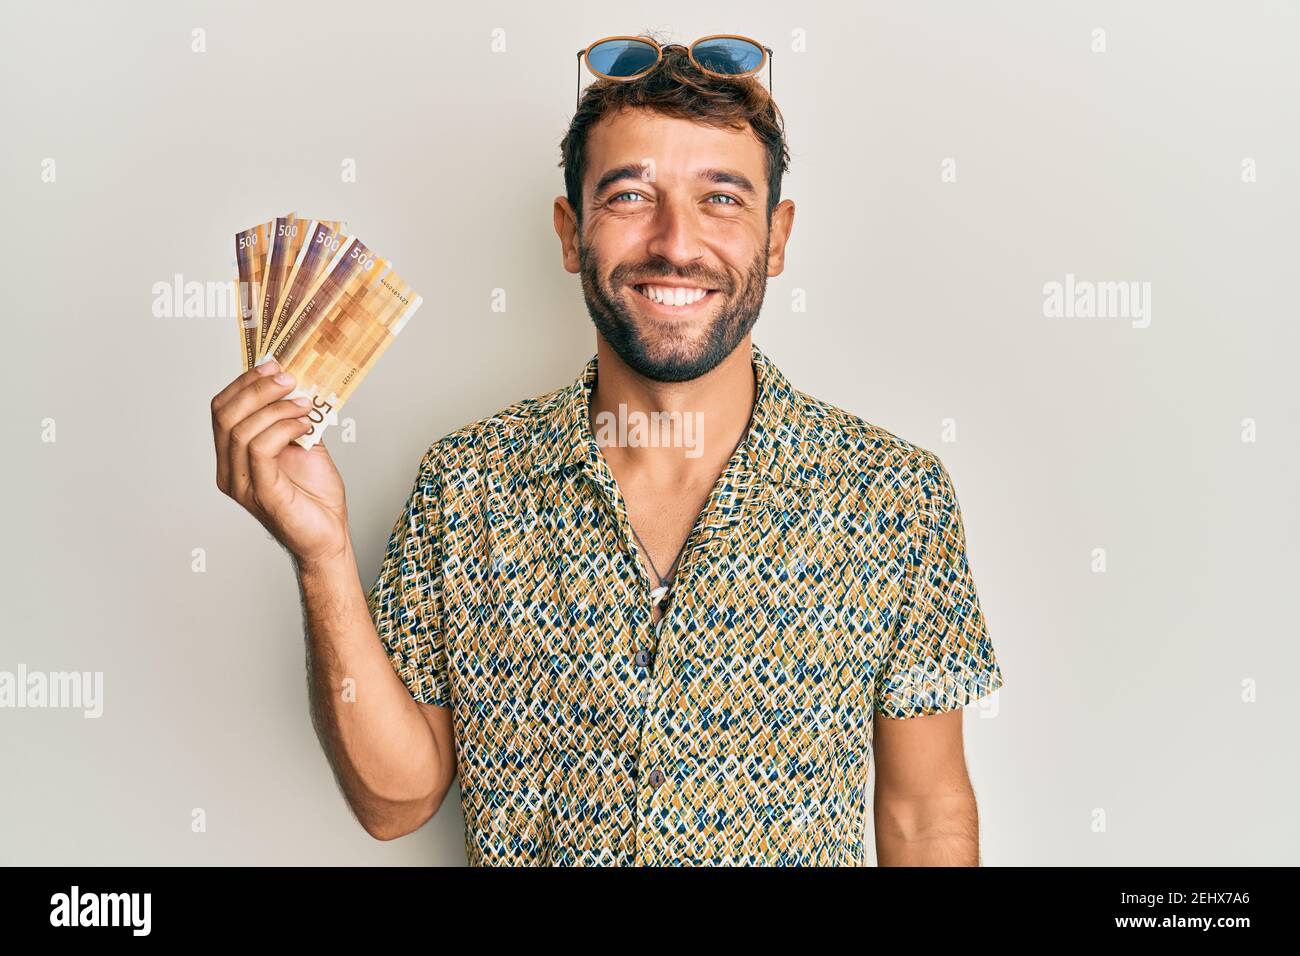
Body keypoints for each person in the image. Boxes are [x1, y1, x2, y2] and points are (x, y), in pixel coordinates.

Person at [209, 37, 1003, 866]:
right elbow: (393, 802)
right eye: (629, 196)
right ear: (569, 231)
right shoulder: (464, 488)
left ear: (776, 236)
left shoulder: (894, 498)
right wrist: (321, 553)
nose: (675, 243)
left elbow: (923, 809)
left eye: (723, 199)